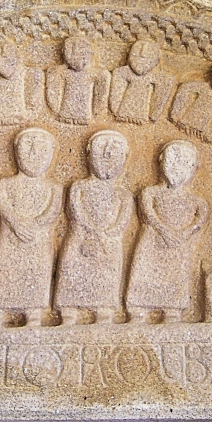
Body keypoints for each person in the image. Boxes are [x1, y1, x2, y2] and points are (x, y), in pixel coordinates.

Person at [0, 128, 64, 326]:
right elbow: (3, 205)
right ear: (16, 151)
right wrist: (16, 224)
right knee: (2, 271)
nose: (34, 153)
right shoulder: (6, 183)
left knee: (36, 272)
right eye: (28, 147)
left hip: (38, 238)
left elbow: (53, 210)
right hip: (10, 236)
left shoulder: (54, 187)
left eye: (41, 149)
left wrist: (34, 226)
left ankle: (33, 313)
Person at [56, 131, 135, 324]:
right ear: (89, 153)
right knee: (72, 270)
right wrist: (92, 230)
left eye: (114, 150)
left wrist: (106, 234)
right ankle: (68, 314)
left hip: (109, 243)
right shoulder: (79, 187)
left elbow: (121, 222)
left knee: (107, 276)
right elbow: (75, 211)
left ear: (124, 157)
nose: (107, 155)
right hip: (80, 238)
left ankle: (104, 313)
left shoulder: (123, 194)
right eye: (102, 149)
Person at [127, 140, 209, 323]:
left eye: (184, 163)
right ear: (161, 161)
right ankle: (138, 310)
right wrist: (165, 231)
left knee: (176, 274)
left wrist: (184, 234)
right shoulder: (150, 192)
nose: (176, 167)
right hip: (153, 241)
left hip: (179, 244)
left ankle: (172, 310)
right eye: (172, 161)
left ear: (194, 167)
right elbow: (148, 214)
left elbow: (200, 219)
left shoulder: (196, 200)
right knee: (144, 270)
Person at [46, 36, 111, 124]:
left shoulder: (95, 73)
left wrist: (97, 110)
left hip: (85, 113)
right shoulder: (65, 73)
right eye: (72, 54)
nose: (77, 58)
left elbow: (100, 94)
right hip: (65, 111)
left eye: (82, 53)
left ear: (90, 53)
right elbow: (52, 77)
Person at [109, 39, 176, 124]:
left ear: (157, 61)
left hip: (143, 115)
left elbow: (164, 85)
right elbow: (115, 96)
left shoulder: (158, 77)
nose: (142, 55)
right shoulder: (122, 72)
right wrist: (115, 110)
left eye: (149, 55)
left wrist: (154, 114)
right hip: (122, 113)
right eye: (136, 53)